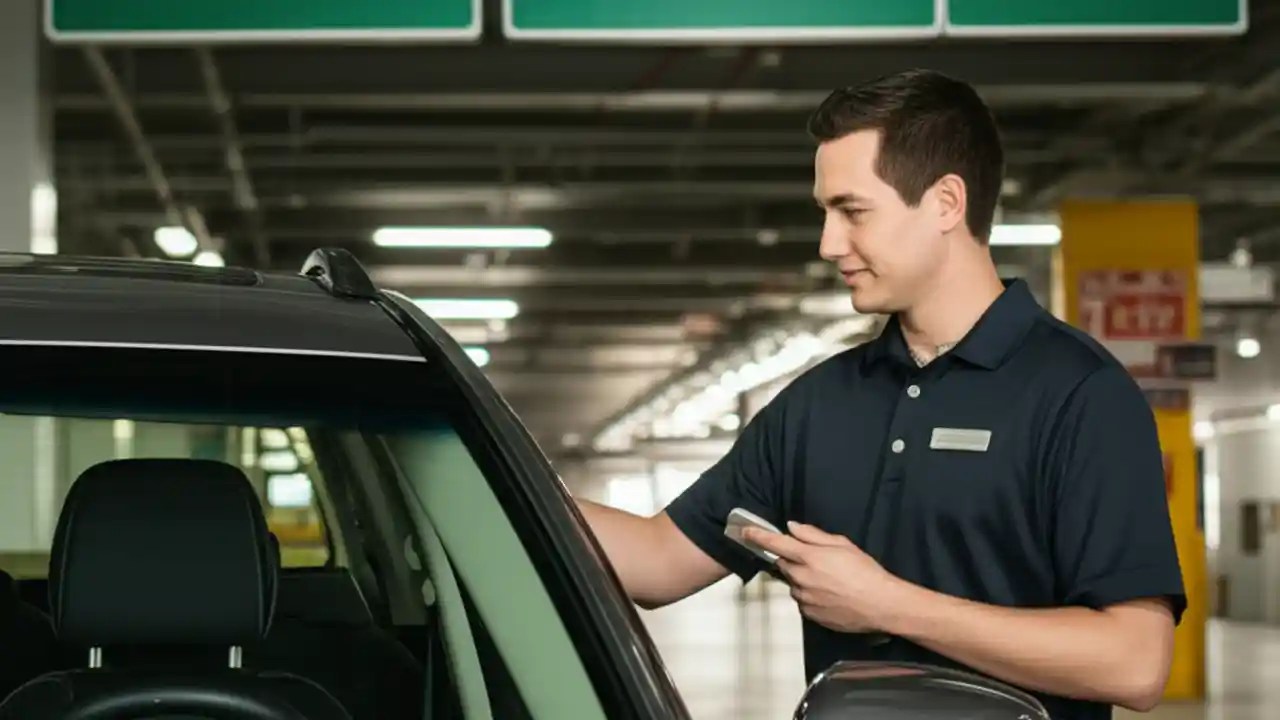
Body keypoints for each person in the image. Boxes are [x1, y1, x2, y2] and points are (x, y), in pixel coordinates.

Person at [575, 68, 1185, 720]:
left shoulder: (1079, 395)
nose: (829, 243)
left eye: (853, 211)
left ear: (947, 203)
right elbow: (656, 562)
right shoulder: (818, 404)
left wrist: (889, 604)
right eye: (826, 213)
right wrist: (483, 467)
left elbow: (1136, 661)